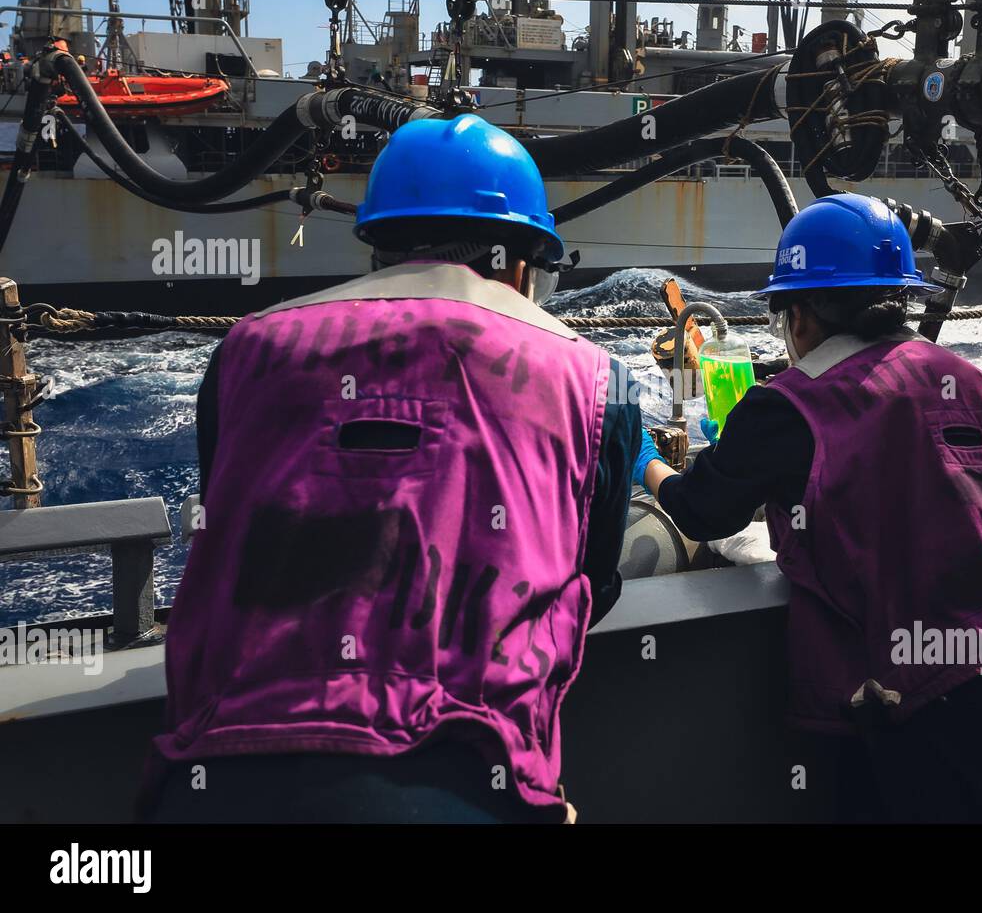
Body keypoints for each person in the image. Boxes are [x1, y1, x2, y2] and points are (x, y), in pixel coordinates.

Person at [140, 114, 641, 823]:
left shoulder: (243, 351)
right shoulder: (595, 378)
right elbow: (592, 582)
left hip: (214, 775)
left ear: (378, 244)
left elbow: (228, 516)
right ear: (521, 263)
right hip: (466, 779)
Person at [635, 194, 982, 823]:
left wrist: (645, 458)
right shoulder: (971, 380)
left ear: (798, 314)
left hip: (945, 704)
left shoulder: (788, 406)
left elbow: (703, 510)